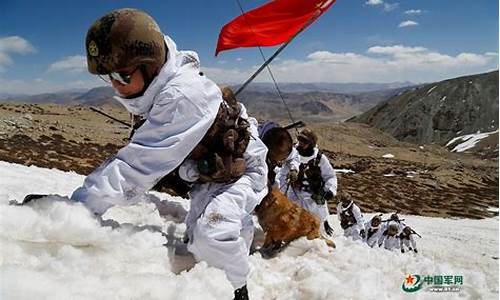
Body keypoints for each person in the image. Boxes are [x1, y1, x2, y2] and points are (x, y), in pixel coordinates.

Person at [71, 8, 268, 300]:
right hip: (209, 171)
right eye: (107, 76)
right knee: (202, 234)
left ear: (149, 65)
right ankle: (237, 239)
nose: (114, 84)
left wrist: (76, 210)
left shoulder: (182, 96)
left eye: (121, 75)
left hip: (240, 173)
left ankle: (239, 288)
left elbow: (134, 169)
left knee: (210, 235)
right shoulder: (159, 86)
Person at [283, 129, 336, 236]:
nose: (301, 143)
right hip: (295, 197)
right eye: (300, 140)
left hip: (315, 200)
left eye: (304, 141)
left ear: (311, 144)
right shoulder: (292, 156)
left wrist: (329, 191)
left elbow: (330, 176)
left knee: (318, 232)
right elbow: (281, 176)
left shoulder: (320, 159)